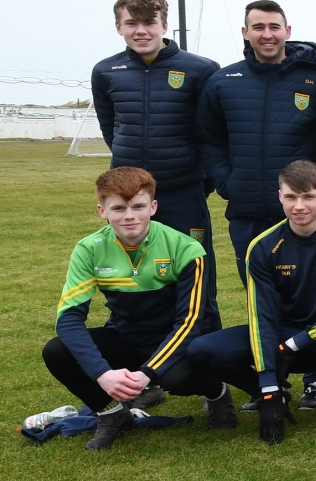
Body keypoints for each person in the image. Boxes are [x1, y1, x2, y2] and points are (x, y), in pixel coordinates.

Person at [196, 0, 316, 412]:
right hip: (248, 211)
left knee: (315, 296)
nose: (267, 34)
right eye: (258, 27)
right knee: (261, 298)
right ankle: (270, 379)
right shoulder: (224, 82)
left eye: (274, 27)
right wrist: (227, 182)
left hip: (304, 214)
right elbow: (209, 139)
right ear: (245, 33)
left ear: (288, 31)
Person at [46, 166, 227, 449]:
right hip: (127, 337)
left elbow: (190, 321)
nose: (129, 216)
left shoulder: (186, 248)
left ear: (153, 207)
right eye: (118, 208)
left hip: (177, 342)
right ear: (101, 211)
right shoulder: (88, 249)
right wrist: (102, 374)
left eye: (138, 206)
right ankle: (113, 414)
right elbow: (69, 320)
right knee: (57, 351)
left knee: (180, 379)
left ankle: (218, 394)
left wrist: (148, 373)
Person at [188, 160, 316, 442]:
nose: (299, 206)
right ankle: (272, 393)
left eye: (309, 197)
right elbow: (263, 317)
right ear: (280, 197)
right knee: (202, 350)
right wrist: (268, 387)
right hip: (284, 336)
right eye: (291, 197)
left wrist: (294, 344)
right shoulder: (262, 245)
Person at [92, 0, 221, 284]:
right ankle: (138, 329)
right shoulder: (105, 71)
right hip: (129, 192)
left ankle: (201, 328)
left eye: (149, 22)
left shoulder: (201, 69)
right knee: (136, 269)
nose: (141, 31)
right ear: (118, 27)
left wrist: (199, 179)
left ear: (164, 26)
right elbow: (111, 128)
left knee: (194, 266)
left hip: (184, 190)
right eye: (131, 23)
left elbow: (212, 133)